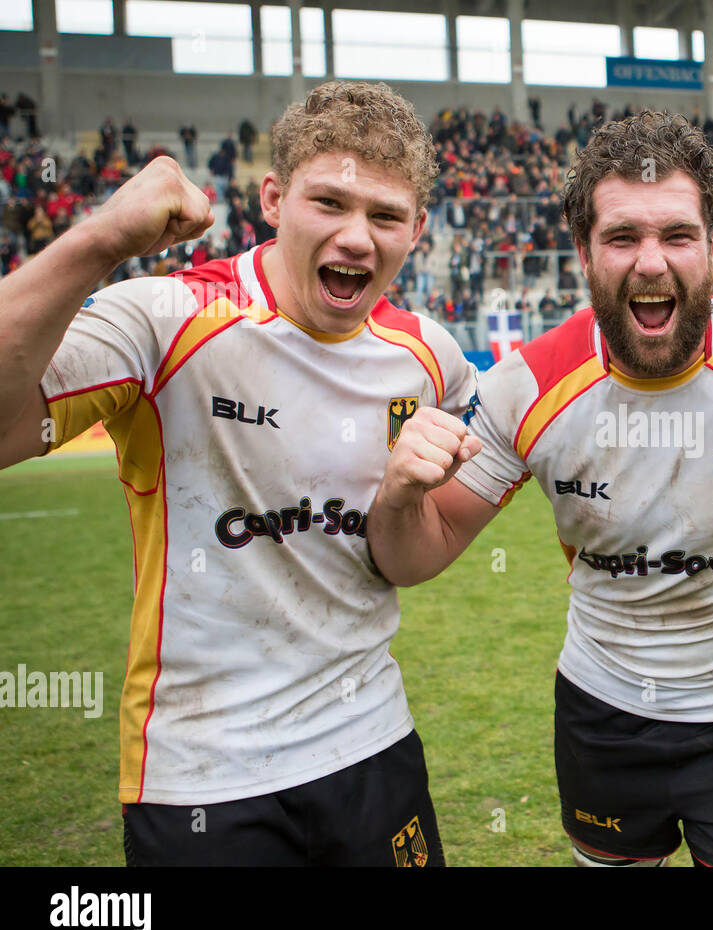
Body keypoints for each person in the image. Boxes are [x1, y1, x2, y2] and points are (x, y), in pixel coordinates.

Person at [367, 110, 713, 867]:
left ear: (711, 246)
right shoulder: (525, 388)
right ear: (583, 252)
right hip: (600, 714)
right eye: (622, 237)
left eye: (676, 235)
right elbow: (415, 557)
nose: (651, 263)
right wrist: (399, 496)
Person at [0, 80, 477, 866]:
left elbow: (422, 532)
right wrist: (100, 241)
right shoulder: (168, 319)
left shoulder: (432, 358)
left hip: (372, 744)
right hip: (202, 778)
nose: (358, 238)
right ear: (272, 198)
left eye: (385, 216)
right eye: (329, 203)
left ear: (418, 229)